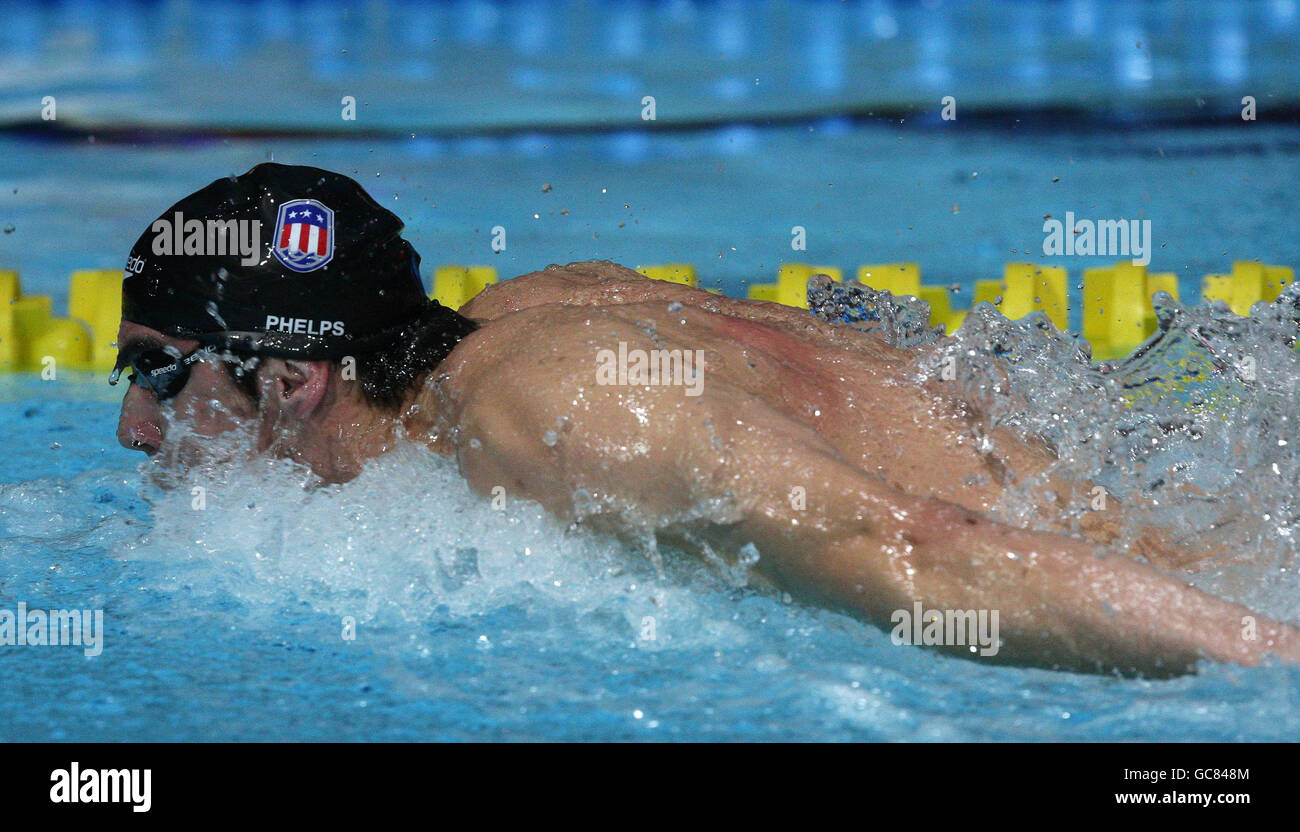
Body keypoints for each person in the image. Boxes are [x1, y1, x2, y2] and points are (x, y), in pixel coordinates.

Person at [113, 162, 1300, 674]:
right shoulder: (520, 319)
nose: (135, 429)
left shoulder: (546, 405)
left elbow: (911, 552)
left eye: (165, 377)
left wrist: (1276, 662)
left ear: (289, 375)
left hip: (1202, 570)